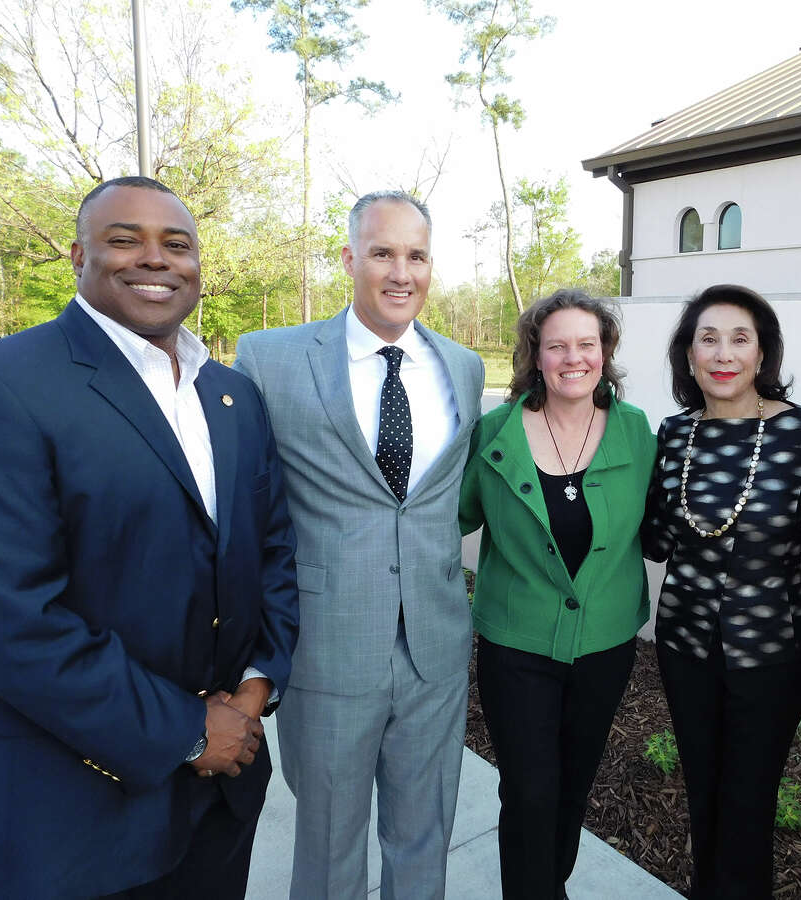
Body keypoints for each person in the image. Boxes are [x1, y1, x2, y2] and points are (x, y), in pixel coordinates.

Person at [0, 175, 300, 899]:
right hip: (74, 817)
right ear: (78, 255)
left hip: (221, 801)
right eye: (124, 239)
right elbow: (1, 622)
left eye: (177, 243)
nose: (156, 259)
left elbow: (274, 552)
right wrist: (187, 731)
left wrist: (257, 687)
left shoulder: (231, 395)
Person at [233, 190, 485, 899]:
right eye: (382, 253)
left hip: (434, 649)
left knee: (423, 836)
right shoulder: (270, 358)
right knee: (328, 848)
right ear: (349, 259)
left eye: (416, 255)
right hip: (328, 645)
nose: (400, 272)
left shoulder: (462, 367)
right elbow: (245, 509)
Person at [459, 289, 656, 900]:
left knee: (573, 784)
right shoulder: (496, 432)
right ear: (535, 356)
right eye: (557, 346)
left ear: (606, 352)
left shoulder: (634, 430)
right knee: (529, 787)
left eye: (587, 344)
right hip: (516, 644)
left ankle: (552, 886)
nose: (574, 358)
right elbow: (451, 517)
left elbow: (663, 522)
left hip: (605, 644)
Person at [642, 284, 801, 899]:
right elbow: (655, 541)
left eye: (740, 339)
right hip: (686, 647)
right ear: (689, 356)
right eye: (708, 338)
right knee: (702, 794)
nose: (724, 354)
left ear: (762, 355)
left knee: (748, 802)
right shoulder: (672, 435)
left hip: (772, 652)